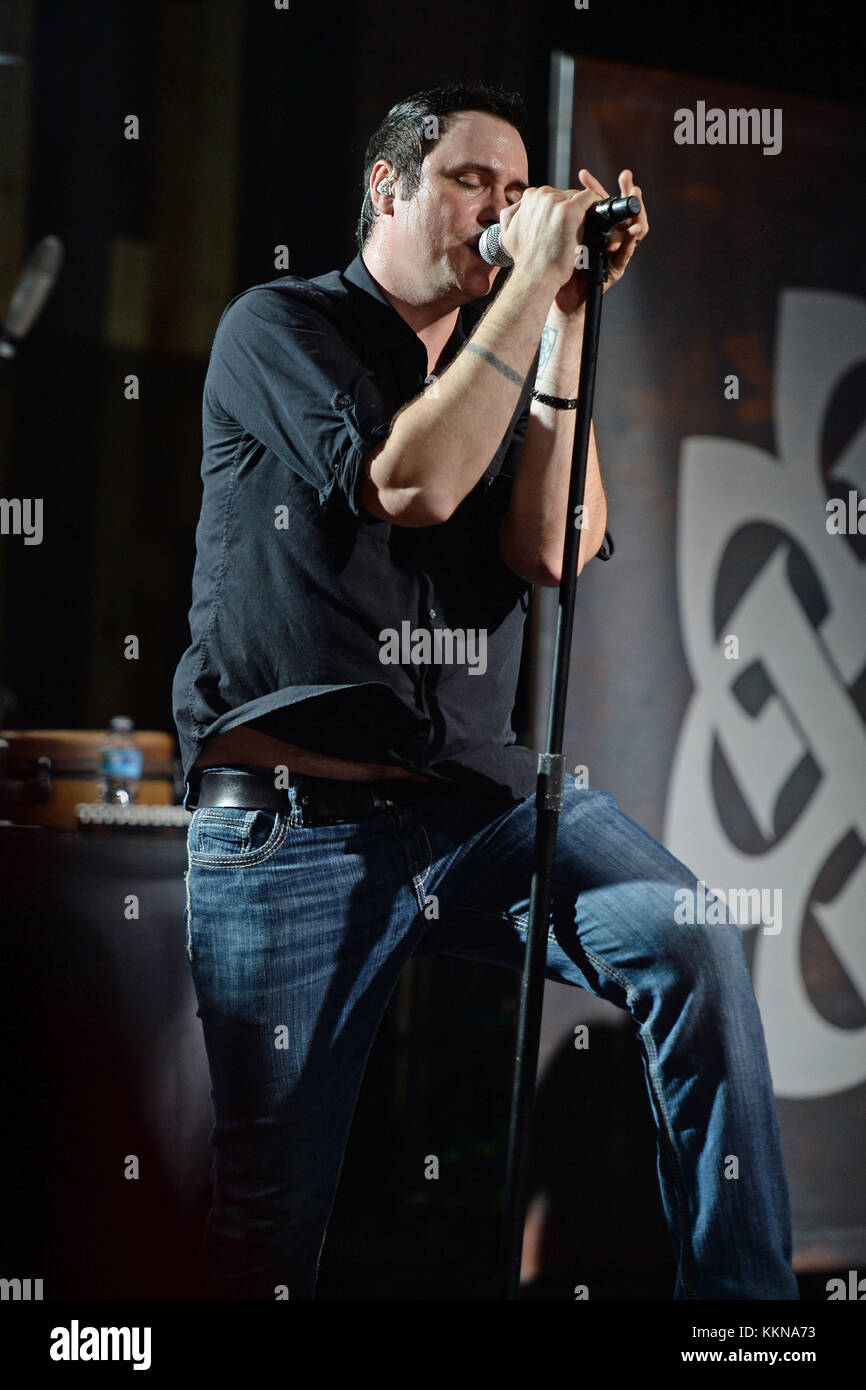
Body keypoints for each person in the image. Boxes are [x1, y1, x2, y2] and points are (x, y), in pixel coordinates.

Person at [171, 82, 799, 1301]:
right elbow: (411, 483)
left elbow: (555, 548)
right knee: (265, 1226)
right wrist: (527, 294)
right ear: (387, 186)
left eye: (517, 193)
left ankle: (747, 1322)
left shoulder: (507, 349)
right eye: (470, 181)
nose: (500, 210)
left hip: (471, 808)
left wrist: (561, 325)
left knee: (696, 941)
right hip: (290, 833)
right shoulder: (278, 326)